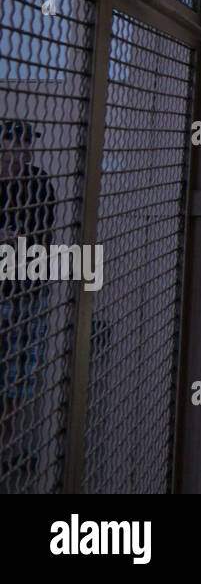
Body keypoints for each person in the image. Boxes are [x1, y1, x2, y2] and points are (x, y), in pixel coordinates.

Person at [0, 119, 56, 486]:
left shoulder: (39, 183)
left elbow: (42, 244)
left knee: (16, 383)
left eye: (27, 144)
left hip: (28, 293)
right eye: (15, 143)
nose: (23, 150)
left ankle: (4, 454)